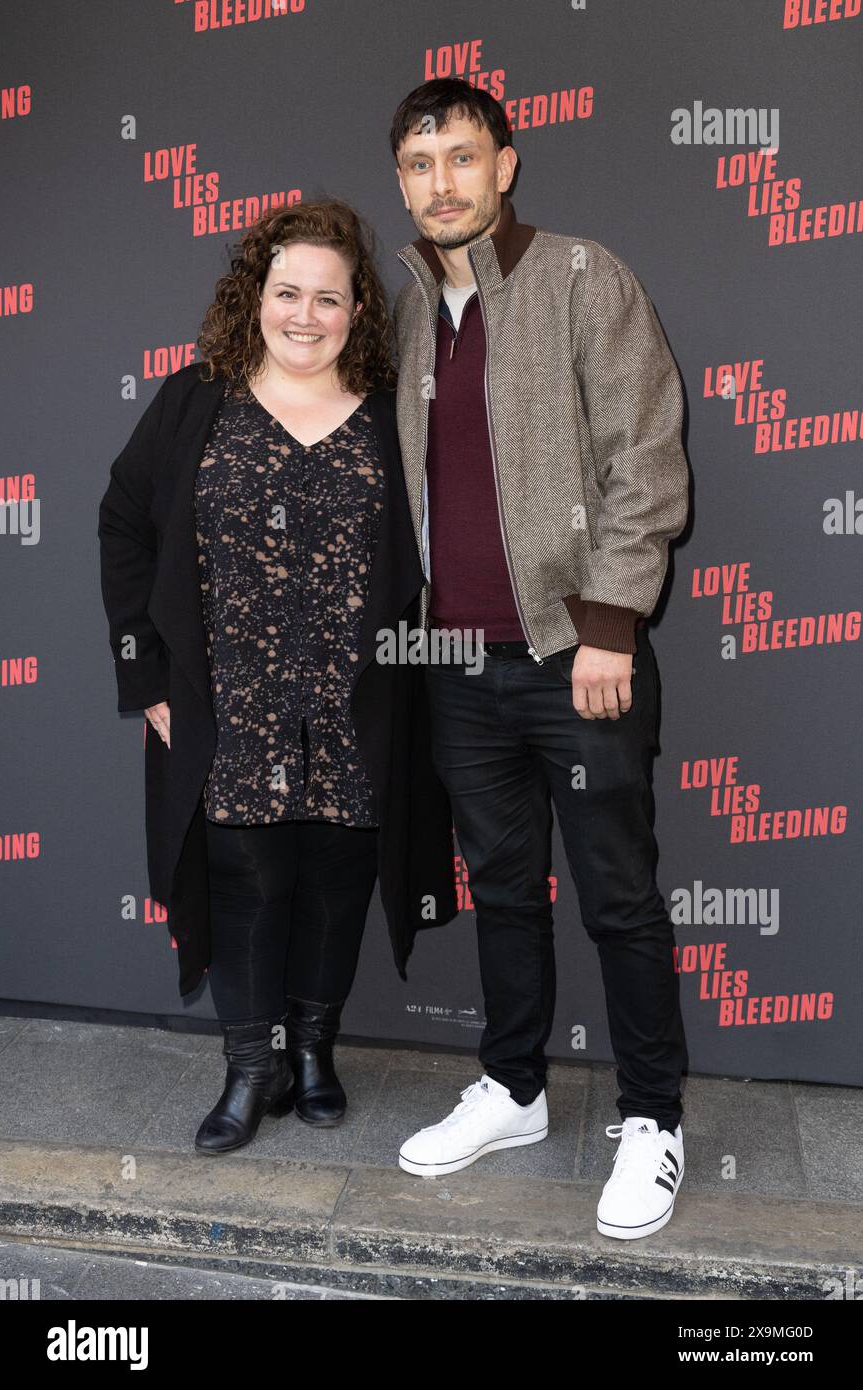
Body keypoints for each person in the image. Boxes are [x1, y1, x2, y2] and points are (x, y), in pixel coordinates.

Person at [388, 79, 691, 1240]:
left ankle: (653, 1117)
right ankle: (512, 1087)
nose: (443, 184)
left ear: (504, 163)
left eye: (462, 158)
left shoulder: (579, 276)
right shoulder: (408, 307)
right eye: (420, 166)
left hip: (577, 658)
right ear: (402, 181)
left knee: (617, 896)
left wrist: (608, 623)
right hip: (457, 667)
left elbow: (644, 451)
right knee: (503, 891)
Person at [98, 198, 457, 1157]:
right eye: (286, 291)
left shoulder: (392, 418)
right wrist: (148, 678)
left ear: (357, 313)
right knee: (246, 882)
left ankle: (314, 1053)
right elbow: (124, 525)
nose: (305, 315)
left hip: (357, 704)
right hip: (229, 703)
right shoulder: (194, 401)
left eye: (328, 299)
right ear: (254, 296)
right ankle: (250, 1068)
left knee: (340, 879)